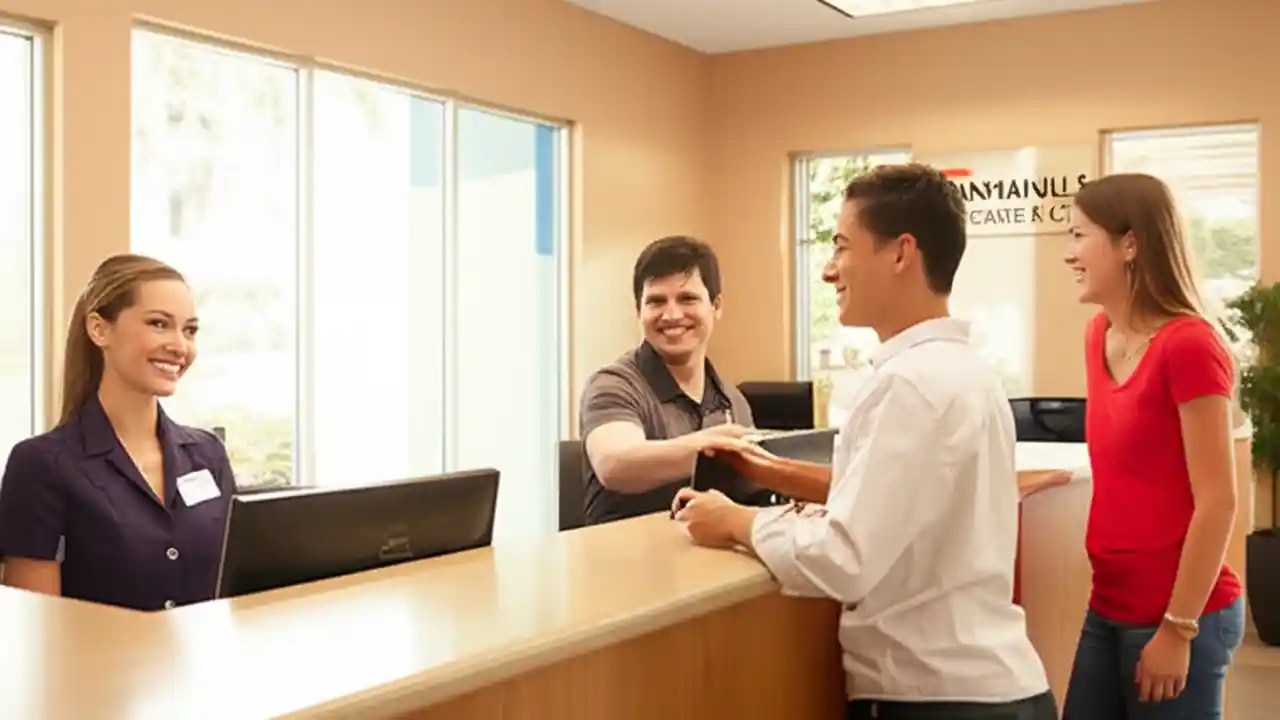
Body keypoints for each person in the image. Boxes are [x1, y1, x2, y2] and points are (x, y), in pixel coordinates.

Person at [673, 163, 1056, 720]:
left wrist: (736, 522)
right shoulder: (966, 373)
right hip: (995, 689)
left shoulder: (908, 384)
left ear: (901, 253)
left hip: (937, 698)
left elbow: (846, 558)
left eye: (841, 247)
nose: (829, 271)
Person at [1055, 173, 1244, 719]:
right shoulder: (1099, 335)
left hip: (1180, 615)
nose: (1069, 254)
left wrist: (1179, 628)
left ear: (1130, 244)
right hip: (1108, 603)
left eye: (1078, 235)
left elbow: (1218, 501)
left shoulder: (1189, 345)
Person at [0, 254, 236, 611]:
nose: (179, 346)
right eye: (159, 324)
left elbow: (235, 594)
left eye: (189, 330)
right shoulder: (42, 465)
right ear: (99, 329)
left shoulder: (208, 454)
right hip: (95, 668)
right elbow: (35, 628)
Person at [578, 235, 754, 525]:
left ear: (716, 306)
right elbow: (614, 464)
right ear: (639, 311)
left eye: (688, 299)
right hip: (624, 565)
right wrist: (717, 448)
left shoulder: (732, 401)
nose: (671, 315)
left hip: (712, 563)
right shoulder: (612, 385)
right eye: (656, 302)